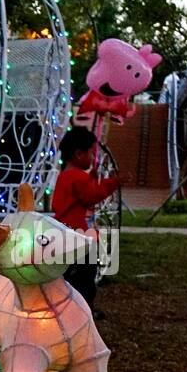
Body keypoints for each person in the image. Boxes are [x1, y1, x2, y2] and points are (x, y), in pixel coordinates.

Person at [51, 126, 118, 311]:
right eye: (91, 153)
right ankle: (83, 308)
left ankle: (67, 306)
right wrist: (113, 183)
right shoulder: (77, 177)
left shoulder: (65, 176)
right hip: (78, 235)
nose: (93, 157)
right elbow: (92, 195)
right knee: (84, 276)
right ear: (79, 154)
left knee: (67, 275)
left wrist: (93, 178)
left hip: (63, 232)